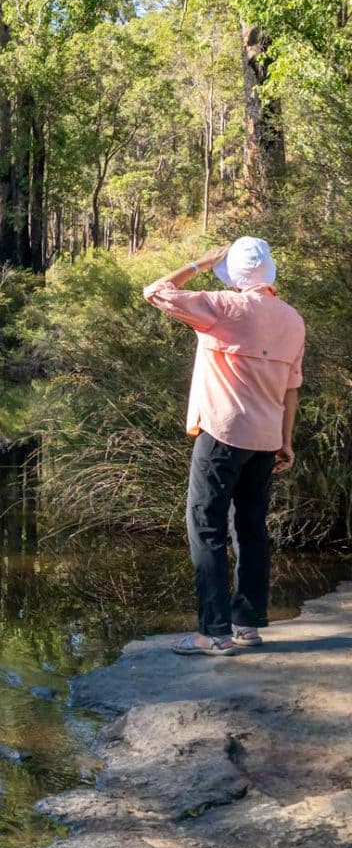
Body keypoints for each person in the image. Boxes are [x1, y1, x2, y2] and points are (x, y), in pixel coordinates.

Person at [142, 236, 305, 656]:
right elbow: (291, 389)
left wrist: (198, 263)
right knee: (252, 528)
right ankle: (247, 624)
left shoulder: (224, 307)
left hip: (223, 433)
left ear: (234, 276)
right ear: (269, 274)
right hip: (267, 440)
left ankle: (214, 633)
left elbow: (155, 291)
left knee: (206, 524)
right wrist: (286, 442)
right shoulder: (292, 319)